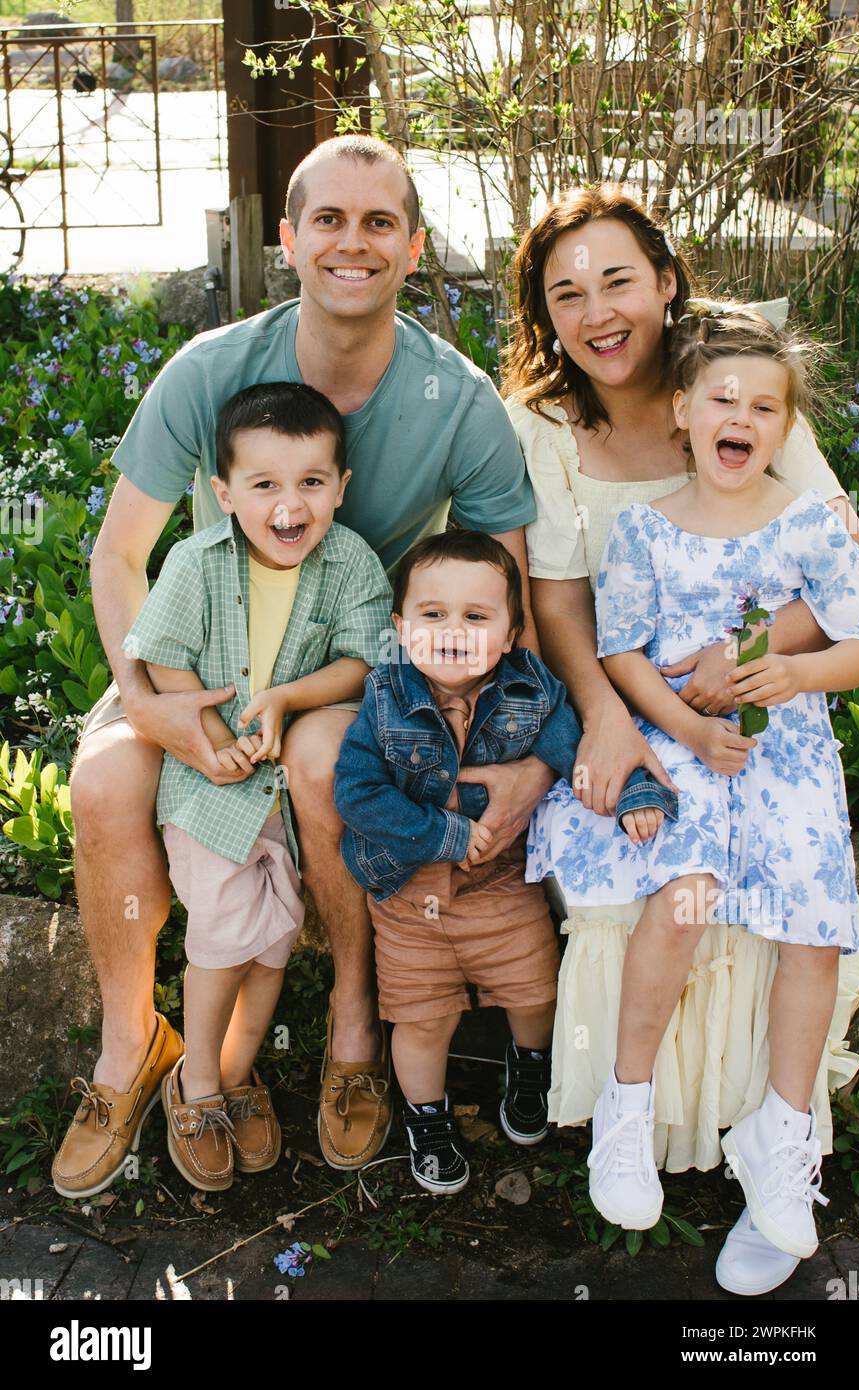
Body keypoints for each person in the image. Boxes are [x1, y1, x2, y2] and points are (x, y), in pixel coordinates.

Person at [54, 134, 551, 1196]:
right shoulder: (211, 369)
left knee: (329, 764)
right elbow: (118, 556)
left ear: (412, 246)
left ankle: (351, 1029)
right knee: (101, 783)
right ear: (286, 238)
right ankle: (130, 1047)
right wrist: (151, 701)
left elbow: (507, 597)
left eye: (379, 222)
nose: (352, 243)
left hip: (347, 671)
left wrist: (524, 747)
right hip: (204, 659)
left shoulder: (457, 403)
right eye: (327, 218)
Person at [501, 185, 859, 1185]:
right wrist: (607, 719)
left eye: (617, 280)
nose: (596, 312)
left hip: (756, 697)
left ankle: (769, 1136)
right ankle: (631, 1117)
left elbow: (837, 563)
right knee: (661, 865)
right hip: (631, 701)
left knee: (777, 875)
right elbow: (560, 602)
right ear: (546, 318)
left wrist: (747, 652)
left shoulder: (739, 387)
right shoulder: (538, 425)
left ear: (664, 283)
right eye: (564, 294)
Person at [55, 381, 393, 1195]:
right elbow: (163, 652)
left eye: (312, 482)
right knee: (219, 940)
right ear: (224, 493)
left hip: (275, 791)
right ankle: (193, 1083)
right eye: (265, 485)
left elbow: (361, 657)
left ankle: (238, 1068)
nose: (290, 506)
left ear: (341, 488)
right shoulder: (197, 561)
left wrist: (289, 699)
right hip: (209, 791)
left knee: (272, 937)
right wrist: (205, 737)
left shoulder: (349, 561)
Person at [332, 530, 676, 1194]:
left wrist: (635, 789)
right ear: (401, 628)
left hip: (500, 887)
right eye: (432, 615)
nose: (452, 631)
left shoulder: (533, 691)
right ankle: (426, 1117)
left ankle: (529, 1063)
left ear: (513, 631)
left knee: (536, 990)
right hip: (406, 895)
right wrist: (445, 835)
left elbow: (580, 750)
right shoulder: (383, 698)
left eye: (476, 616)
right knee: (420, 1015)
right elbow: (357, 793)